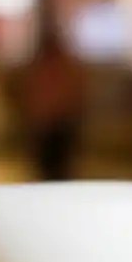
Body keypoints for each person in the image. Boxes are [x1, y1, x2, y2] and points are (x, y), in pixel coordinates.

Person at [24, 28, 86, 181]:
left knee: (57, 166)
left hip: (58, 124)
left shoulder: (60, 66)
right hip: (49, 124)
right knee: (49, 166)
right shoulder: (47, 67)